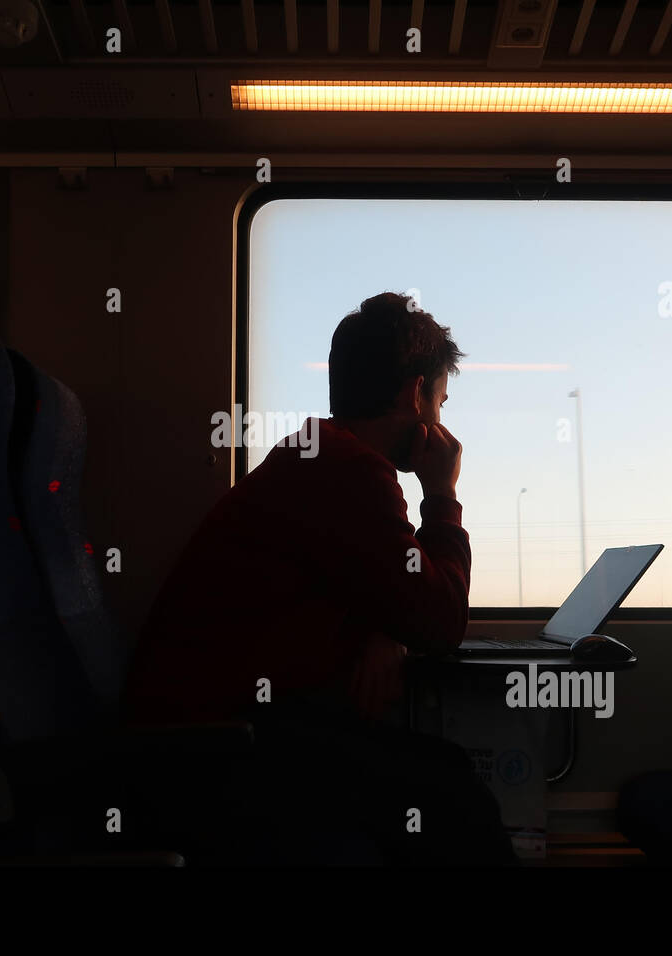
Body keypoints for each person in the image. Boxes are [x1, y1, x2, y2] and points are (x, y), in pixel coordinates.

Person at [123, 291, 517, 865]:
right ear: (415, 395)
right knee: (454, 795)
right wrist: (441, 494)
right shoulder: (348, 473)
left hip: (234, 724)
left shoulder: (318, 457)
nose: (440, 420)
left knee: (433, 780)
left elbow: (386, 592)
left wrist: (384, 631)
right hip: (213, 744)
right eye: (441, 401)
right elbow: (442, 618)